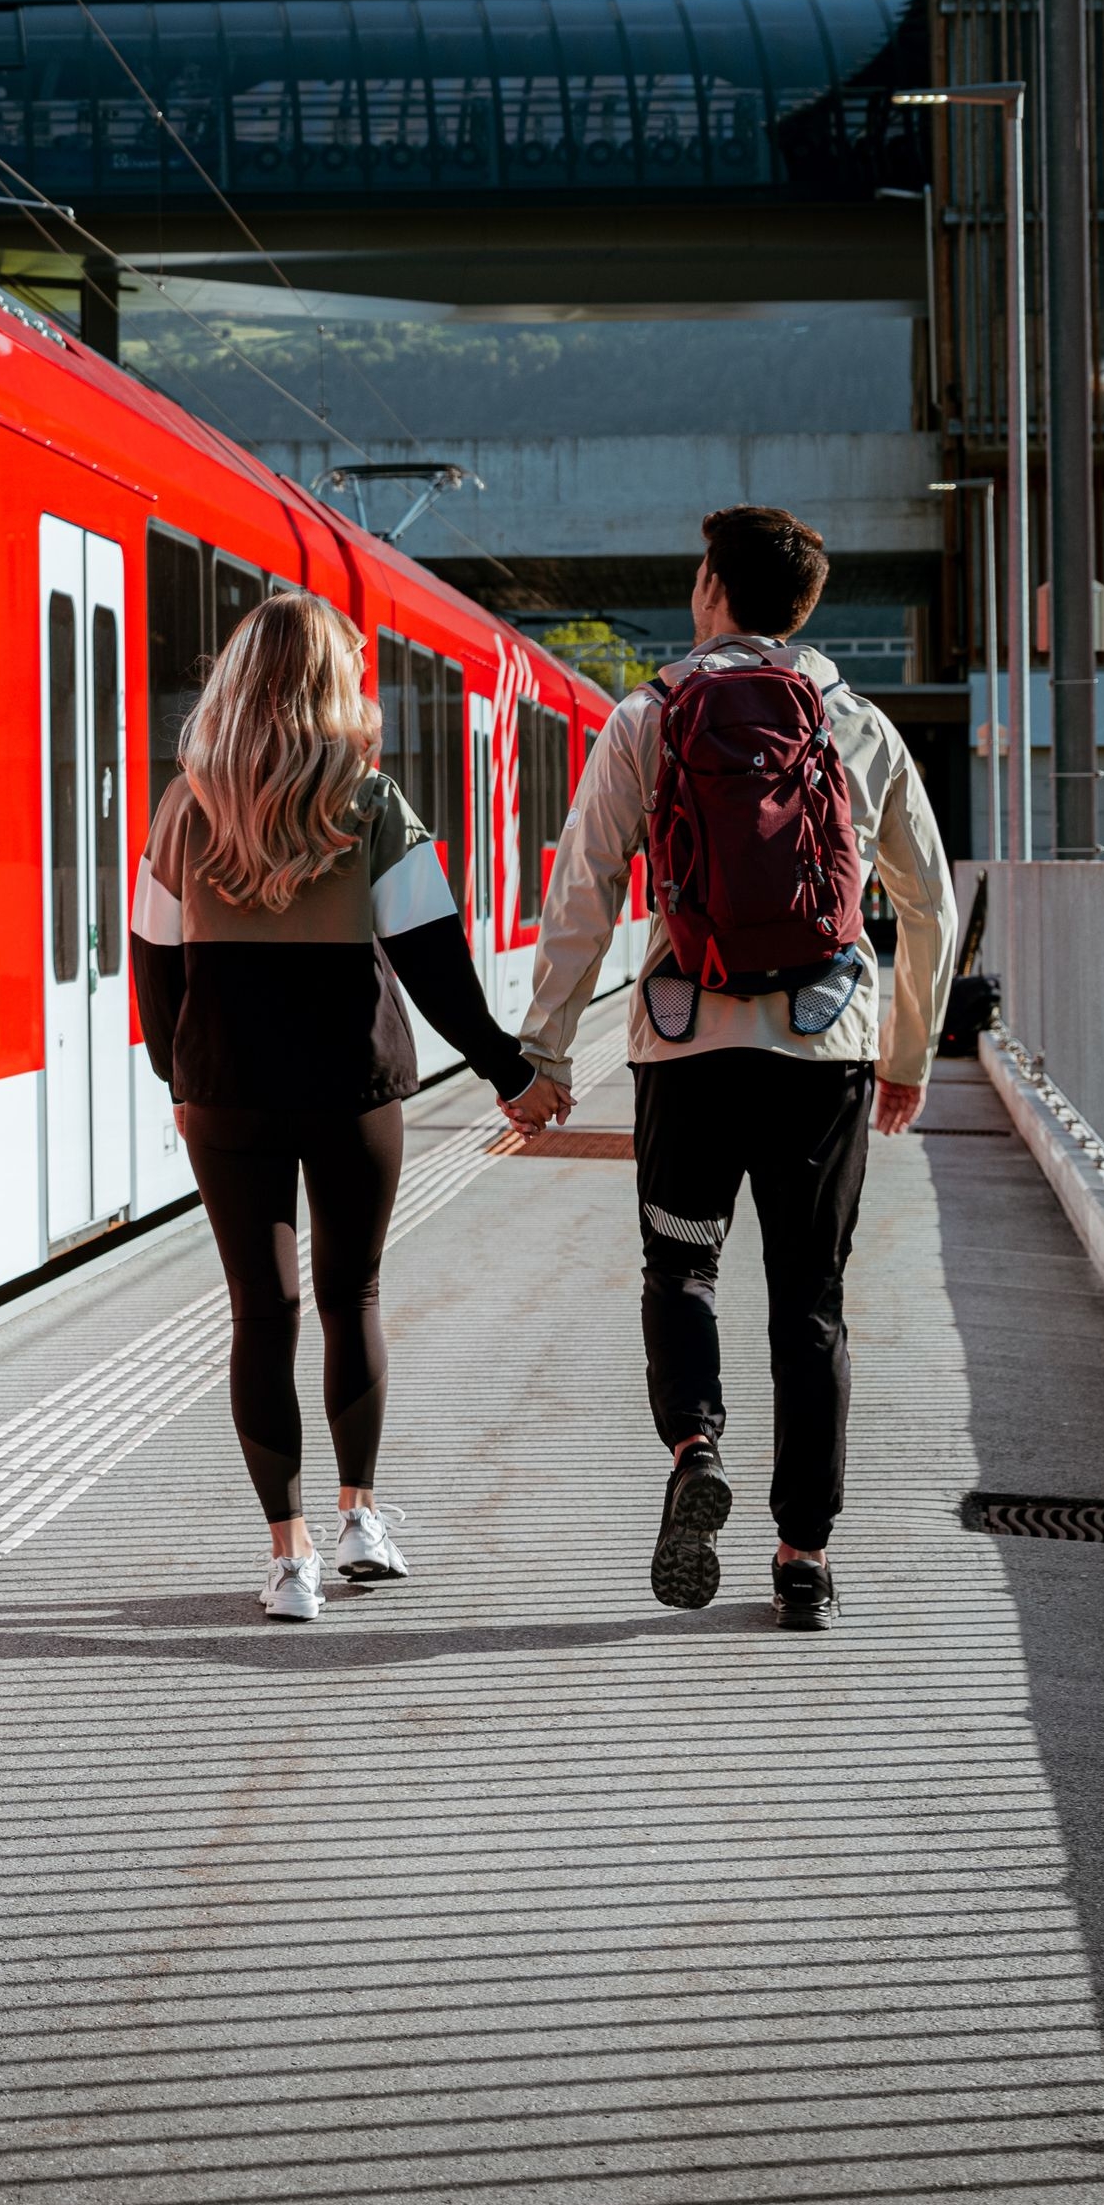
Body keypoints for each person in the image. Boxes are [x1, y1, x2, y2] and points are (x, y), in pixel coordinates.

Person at [507, 505, 958, 1632]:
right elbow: (928, 909)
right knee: (809, 1302)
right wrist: (904, 1054)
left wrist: (546, 1051)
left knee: (683, 1270)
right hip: (822, 1058)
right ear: (804, 607)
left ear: (709, 588)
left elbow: (582, 893)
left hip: (684, 1047)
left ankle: (693, 1441)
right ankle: (800, 1554)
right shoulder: (857, 727)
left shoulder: (647, 715)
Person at [130, 587, 541, 1621]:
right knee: (347, 1297)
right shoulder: (369, 803)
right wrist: (508, 1072)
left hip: (226, 1093)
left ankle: (288, 1556)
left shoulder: (184, 807)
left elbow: (151, 965)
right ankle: (360, 1515)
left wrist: (180, 1081)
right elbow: (432, 962)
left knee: (257, 1315)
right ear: (333, 683)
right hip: (350, 1087)